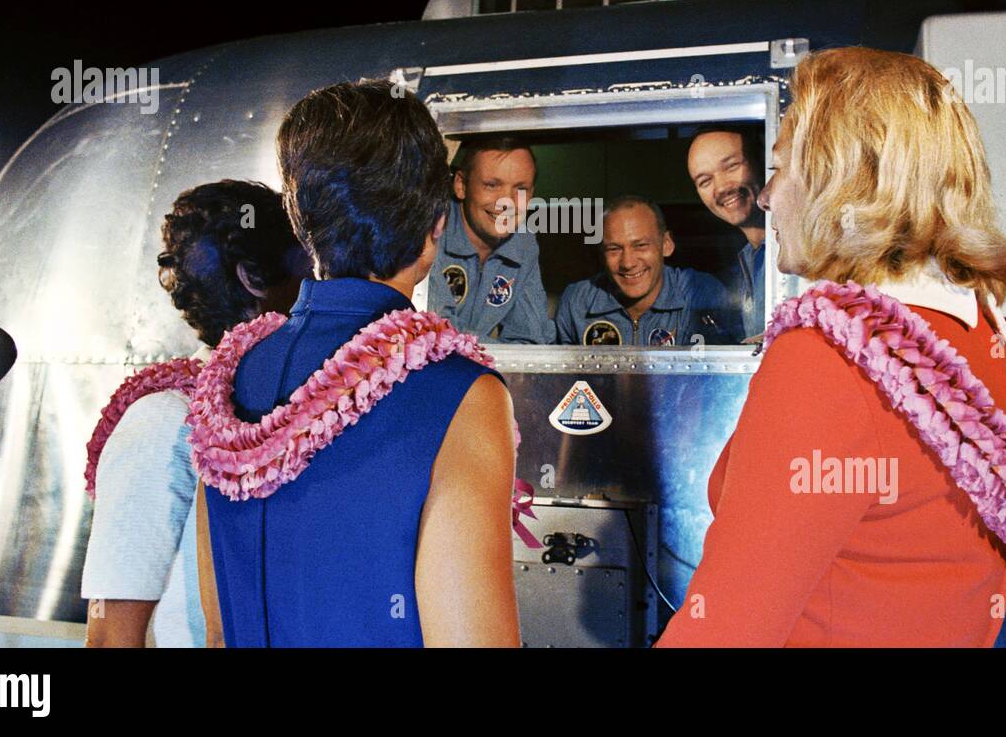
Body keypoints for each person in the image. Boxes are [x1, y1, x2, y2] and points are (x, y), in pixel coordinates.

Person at [656, 47, 1006, 647]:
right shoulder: (990, 344)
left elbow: (726, 632)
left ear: (845, 177)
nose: (766, 195)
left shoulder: (828, 360)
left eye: (780, 167)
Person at [193, 80, 521, 647]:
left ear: (300, 222)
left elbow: (221, 633)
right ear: (436, 226)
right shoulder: (461, 394)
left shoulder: (227, 385)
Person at [81, 180, 309, 647]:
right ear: (254, 278)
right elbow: (111, 638)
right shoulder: (164, 420)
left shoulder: (297, 413)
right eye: (307, 271)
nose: (317, 292)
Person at [555, 195, 739, 346]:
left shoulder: (701, 292)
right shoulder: (577, 302)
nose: (627, 263)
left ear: (666, 244)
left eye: (640, 245)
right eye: (614, 249)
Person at [427, 136, 555, 343]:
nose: (507, 202)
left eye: (521, 189)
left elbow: (532, 340)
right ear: (460, 185)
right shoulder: (430, 232)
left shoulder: (523, 242)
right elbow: (435, 334)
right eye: (492, 185)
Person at [686, 127, 768, 340]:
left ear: (761, 159)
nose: (722, 187)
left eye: (731, 166)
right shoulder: (747, 259)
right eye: (705, 181)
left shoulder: (801, 253)